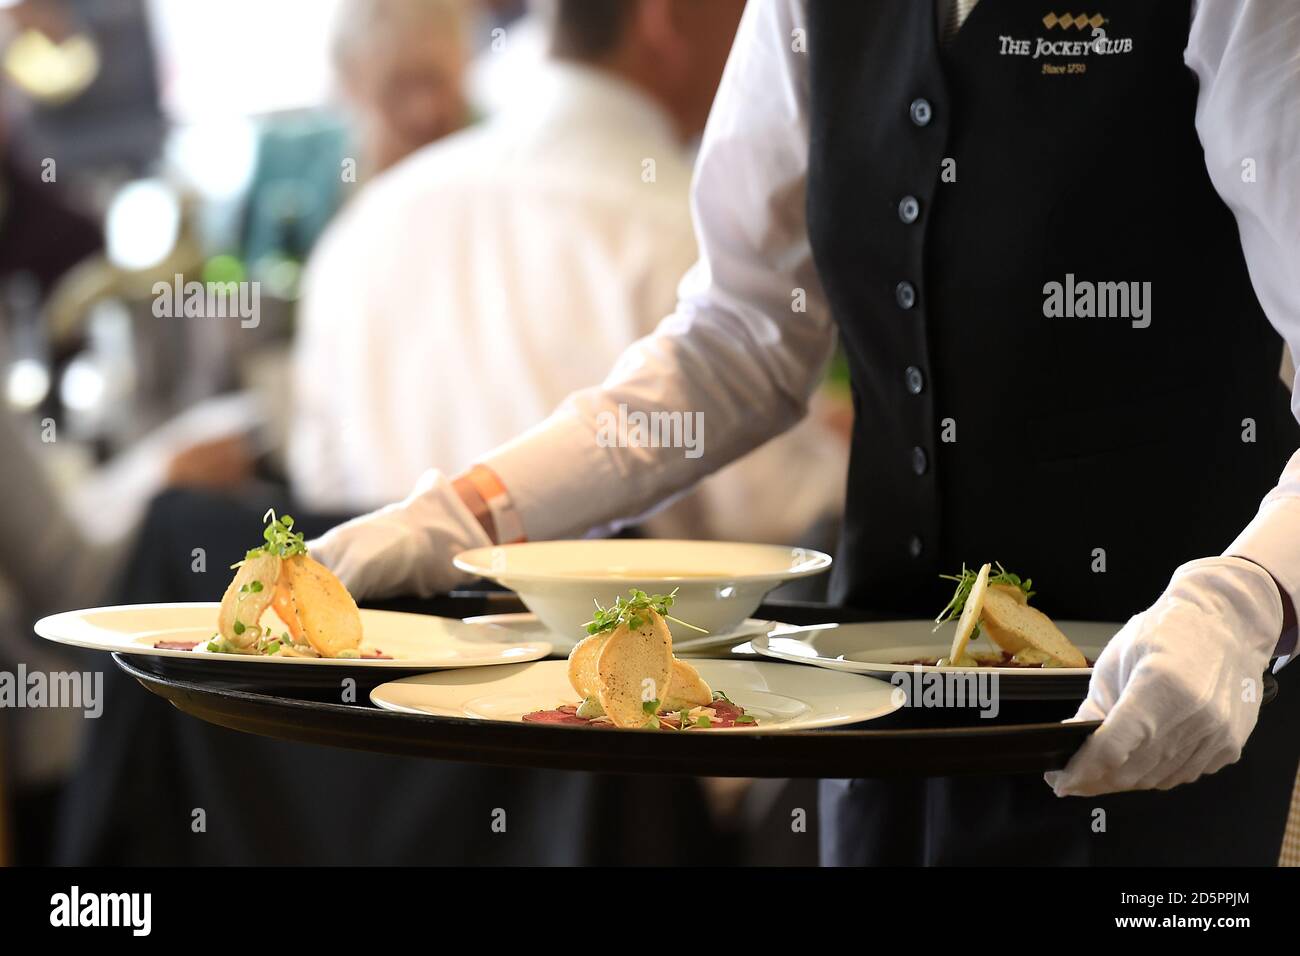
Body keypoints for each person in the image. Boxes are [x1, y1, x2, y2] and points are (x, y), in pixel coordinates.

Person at [309, 0, 1300, 865]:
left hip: (1167, 718)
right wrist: (471, 511)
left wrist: (1248, 602)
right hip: (878, 725)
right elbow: (741, 336)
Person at [290, 0, 846, 547]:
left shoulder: (363, 226)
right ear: (663, 19)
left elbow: (320, 480)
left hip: (386, 632)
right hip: (629, 634)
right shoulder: (687, 230)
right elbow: (770, 510)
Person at [331, 0, 472, 179]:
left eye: (435, 81)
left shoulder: (496, 144)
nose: (424, 112)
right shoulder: (307, 171)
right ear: (352, 84)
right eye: (398, 87)